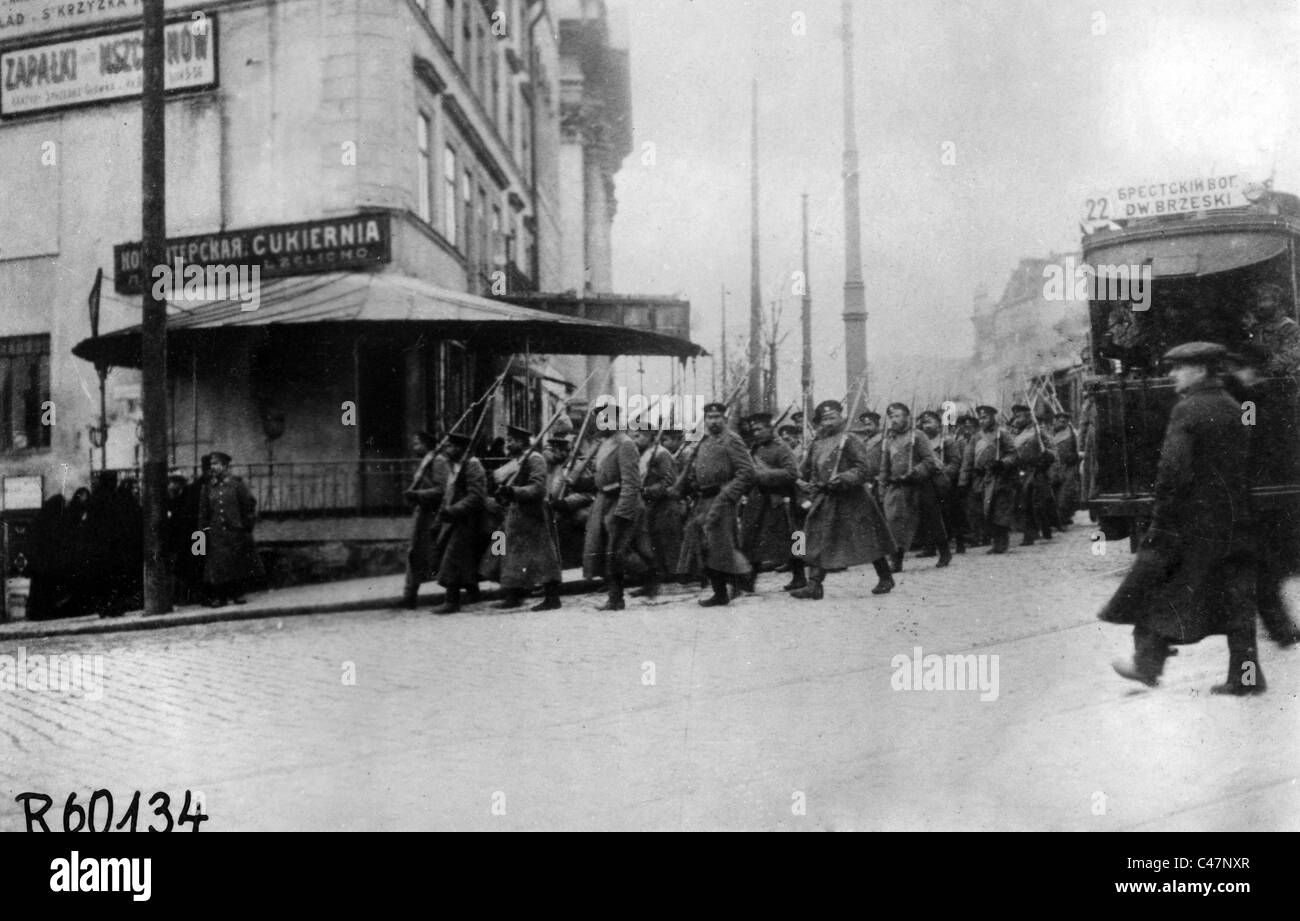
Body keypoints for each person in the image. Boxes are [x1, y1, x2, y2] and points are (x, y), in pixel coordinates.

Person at [1101, 342, 1264, 694]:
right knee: (1237, 604)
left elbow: (1173, 472)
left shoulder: (1187, 411)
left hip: (1193, 524)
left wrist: (1160, 522)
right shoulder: (1234, 407)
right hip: (1235, 521)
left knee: (1159, 589)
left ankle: (1146, 664)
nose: (1173, 375)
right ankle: (1246, 677)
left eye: (1180, 368)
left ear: (1202, 370)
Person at [1224, 343, 1300, 647]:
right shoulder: (1252, 399)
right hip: (1262, 494)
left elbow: (1253, 435)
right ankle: (1280, 629)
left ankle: (1280, 629)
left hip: (1264, 494)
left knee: (1266, 569)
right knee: (1266, 568)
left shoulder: (1251, 399)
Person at [792, 399, 896, 600]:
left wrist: (844, 478)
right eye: (824, 419)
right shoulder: (817, 443)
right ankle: (814, 585)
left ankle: (885, 577)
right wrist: (801, 481)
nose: (829, 422)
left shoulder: (850, 440)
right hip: (826, 497)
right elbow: (806, 470)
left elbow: (864, 469)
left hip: (852, 498)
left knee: (869, 539)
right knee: (818, 538)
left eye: (833, 417)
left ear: (842, 418)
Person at [670, 402, 754, 607]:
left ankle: (743, 577)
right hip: (702, 500)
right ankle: (721, 591)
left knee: (719, 546)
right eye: (709, 417)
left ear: (725, 419)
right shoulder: (702, 440)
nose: (713, 421)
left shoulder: (732, 440)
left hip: (722, 500)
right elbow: (695, 469)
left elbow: (747, 472)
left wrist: (728, 495)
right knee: (701, 545)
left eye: (717, 417)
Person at [579, 405, 647, 611]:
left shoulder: (625, 444)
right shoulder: (605, 444)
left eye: (608, 418)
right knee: (606, 552)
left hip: (618, 503)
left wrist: (623, 511)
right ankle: (615, 597)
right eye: (601, 418)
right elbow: (601, 475)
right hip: (604, 501)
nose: (603, 422)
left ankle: (648, 575)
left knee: (617, 552)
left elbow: (631, 482)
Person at [493, 425, 564, 611]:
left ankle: (552, 598)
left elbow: (539, 488)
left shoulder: (535, 458)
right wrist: (504, 492)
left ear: (522, 442)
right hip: (516, 513)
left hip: (534, 514)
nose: (508, 444)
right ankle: (514, 595)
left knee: (543, 556)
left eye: (511, 440)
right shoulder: (517, 460)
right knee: (512, 555)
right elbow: (500, 479)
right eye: (507, 440)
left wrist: (513, 491)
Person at [739, 412, 804, 589]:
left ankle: (800, 576)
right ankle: (749, 579)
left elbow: (793, 473)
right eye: (754, 430)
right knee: (752, 537)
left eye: (760, 429)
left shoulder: (781, 448)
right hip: (758, 499)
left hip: (779, 499)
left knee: (791, 537)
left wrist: (762, 475)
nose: (756, 433)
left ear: (770, 428)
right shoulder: (755, 448)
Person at [879, 403, 946, 572]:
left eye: (898, 416)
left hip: (920, 484)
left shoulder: (918, 435)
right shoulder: (889, 439)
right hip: (898, 486)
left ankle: (944, 552)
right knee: (896, 523)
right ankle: (897, 560)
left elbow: (929, 461)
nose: (894, 420)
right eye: (891, 417)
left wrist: (916, 472)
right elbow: (885, 466)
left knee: (931, 520)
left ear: (907, 417)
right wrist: (883, 485)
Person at [431, 432, 487, 615]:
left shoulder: (472, 465)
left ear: (460, 448)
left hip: (468, 520)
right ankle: (474, 593)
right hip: (455, 519)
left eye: (451, 446)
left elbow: (476, 496)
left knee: (452, 559)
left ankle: (452, 601)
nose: (447, 449)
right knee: (460, 559)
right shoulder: (456, 466)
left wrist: (454, 510)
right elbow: (449, 493)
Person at [198, 451, 263, 608]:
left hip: (235, 532)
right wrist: (200, 537)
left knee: (236, 563)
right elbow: (203, 513)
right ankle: (220, 597)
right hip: (216, 533)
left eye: (217, 464)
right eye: (212, 464)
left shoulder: (237, 485)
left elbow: (249, 505)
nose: (214, 467)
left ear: (225, 466)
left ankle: (237, 594)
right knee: (218, 566)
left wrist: (246, 526)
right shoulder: (208, 488)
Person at [401, 431, 451, 609]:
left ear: (426, 444)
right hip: (422, 513)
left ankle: (411, 595)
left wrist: (417, 494)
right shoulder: (426, 461)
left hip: (433, 515)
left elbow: (441, 489)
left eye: (417, 443)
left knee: (436, 554)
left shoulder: (437, 461)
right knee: (416, 554)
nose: (414, 447)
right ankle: (409, 594)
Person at [632, 427, 682, 597]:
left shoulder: (661, 454)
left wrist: (646, 491)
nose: (636, 439)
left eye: (639, 435)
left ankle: (674, 581)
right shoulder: (644, 454)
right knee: (652, 544)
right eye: (635, 435)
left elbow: (669, 481)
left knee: (667, 544)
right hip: (650, 506)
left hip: (665, 505)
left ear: (649, 436)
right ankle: (654, 582)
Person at [960, 405, 1017, 554]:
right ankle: (993, 539)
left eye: (985, 417)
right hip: (981, 479)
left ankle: (1001, 542)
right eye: (980, 418)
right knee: (985, 511)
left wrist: (1002, 463)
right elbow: (968, 460)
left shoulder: (1002, 434)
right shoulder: (976, 437)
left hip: (999, 477)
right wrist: (963, 481)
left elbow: (1013, 455)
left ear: (993, 417)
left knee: (999, 510)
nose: (982, 420)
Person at [917, 409, 963, 557]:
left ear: (938, 423)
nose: (926, 426)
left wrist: (945, 473)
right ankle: (929, 546)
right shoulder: (920, 442)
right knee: (928, 515)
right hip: (926, 481)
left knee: (949, 513)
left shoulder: (947, 441)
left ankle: (959, 542)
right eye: (923, 423)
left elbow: (955, 462)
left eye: (929, 422)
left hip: (944, 482)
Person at [1009, 404, 1051, 546]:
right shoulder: (1014, 434)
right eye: (1016, 416)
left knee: (1038, 503)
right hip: (1020, 471)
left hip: (1036, 470)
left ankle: (1042, 530)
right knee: (1023, 504)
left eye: (1019, 416)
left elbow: (1053, 451)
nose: (1017, 419)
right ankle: (1030, 534)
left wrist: (1046, 456)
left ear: (1028, 416)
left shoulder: (1039, 432)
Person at [1243, 281, 1300, 375]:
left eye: (1264, 300)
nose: (1259, 305)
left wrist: (1258, 370)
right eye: (1258, 301)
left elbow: (1288, 359)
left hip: (1282, 382)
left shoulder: (1290, 328)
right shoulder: (1258, 328)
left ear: (1276, 302)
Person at [1049, 412, 1081, 530]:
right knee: (1054, 495)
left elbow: (1078, 450)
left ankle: (1063, 520)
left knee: (1065, 495)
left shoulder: (1072, 434)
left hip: (1068, 467)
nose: (1062, 423)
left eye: (1065, 421)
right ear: (1055, 421)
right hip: (1054, 468)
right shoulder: (1050, 433)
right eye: (1059, 420)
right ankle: (1057, 520)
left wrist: (1074, 457)